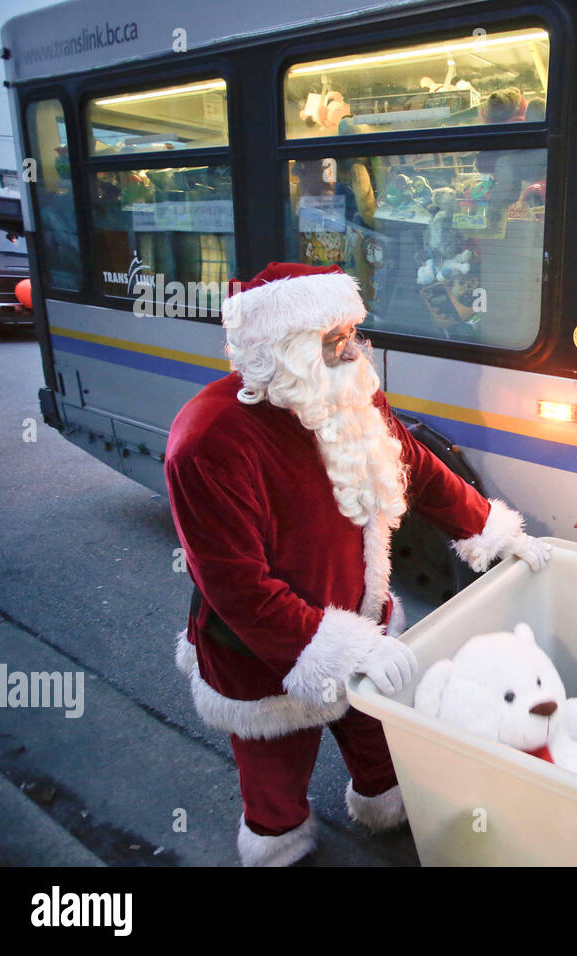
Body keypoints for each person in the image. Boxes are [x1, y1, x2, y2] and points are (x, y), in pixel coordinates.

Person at [166, 262, 549, 866]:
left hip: (364, 616)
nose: (352, 350)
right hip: (263, 656)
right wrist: (347, 648)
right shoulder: (208, 439)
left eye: (352, 333)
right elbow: (237, 588)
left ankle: (389, 812)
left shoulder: (350, 390)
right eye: (332, 339)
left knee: (380, 747)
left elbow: (416, 467)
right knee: (273, 782)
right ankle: (279, 848)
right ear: (279, 348)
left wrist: (492, 531)